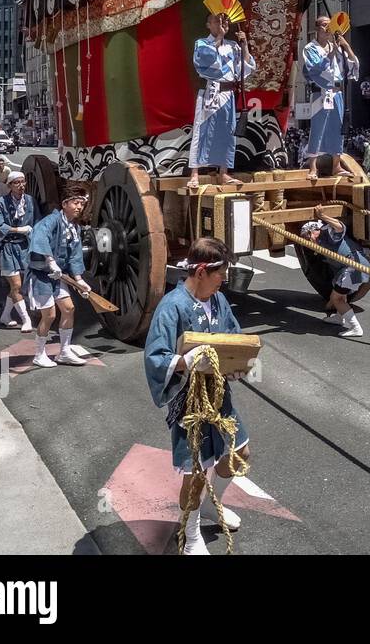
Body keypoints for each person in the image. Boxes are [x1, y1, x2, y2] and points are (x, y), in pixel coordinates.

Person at [144, 237, 254, 556]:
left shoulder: (217, 299)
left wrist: (238, 362)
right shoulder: (172, 306)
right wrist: (185, 361)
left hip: (219, 394)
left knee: (239, 453)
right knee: (195, 473)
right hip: (189, 399)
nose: (225, 280)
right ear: (203, 271)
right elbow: (155, 356)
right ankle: (190, 534)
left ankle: (210, 506)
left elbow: (233, 336)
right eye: (221, 273)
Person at [186, 10, 256, 189]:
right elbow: (206, 62)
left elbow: (245, 68)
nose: (220, 24)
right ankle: (194, 173)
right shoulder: (202, 43)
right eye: (216, 21)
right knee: (202, 131)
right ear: (209, 25)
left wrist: (245, 44)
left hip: (227, 93)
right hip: (211, 91)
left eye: (223, 21)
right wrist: (219, 39)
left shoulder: (233, 46)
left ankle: (223, 172)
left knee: (227, 133)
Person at [27, 187, 92, 369]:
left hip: (59, 275)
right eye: (76, 203)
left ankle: (64, 352)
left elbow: (75, 255)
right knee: (49, 315)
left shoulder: (74, 227)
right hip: (42, 274)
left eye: (82, 204)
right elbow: (39, 236)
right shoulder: (52, 220)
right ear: (65, 204)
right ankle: (39, 354)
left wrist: (79, 280)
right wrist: (50, 260)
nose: (79, 207)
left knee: (69, 309)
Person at [301, 18, 358, 183]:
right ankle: (313, 166)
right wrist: (332, 52)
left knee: (337, 129)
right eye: (324, 25)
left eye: (329, 24)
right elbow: (315, 69)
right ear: (317, 28)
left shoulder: (338, 47)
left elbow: (352, 65)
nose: (328, 28)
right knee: (317, 129)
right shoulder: (310, 48)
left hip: (337, 92)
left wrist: (345, 46)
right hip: (320, 92)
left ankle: (336, 164)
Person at [300, 206, 370, 338]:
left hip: (354, 266)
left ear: (315, 230)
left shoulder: (326, 232)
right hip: (347, 268)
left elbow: (339, 227)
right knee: (340, 296)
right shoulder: (320, 242)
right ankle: (340, 318)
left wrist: (323, 217)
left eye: (307, 236)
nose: (307, 240)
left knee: (336, 298)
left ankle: (356, 328)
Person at [0, 170, 38, 332]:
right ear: (9, 185)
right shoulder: (0, 203)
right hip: (8, 247)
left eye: (23, 182)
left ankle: (5, 316)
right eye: (16, 182)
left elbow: (37, 222)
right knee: (16, 285)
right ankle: (26, 320)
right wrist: (18, 230)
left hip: (25, 247)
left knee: (21, 286)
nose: (21, 185)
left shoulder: (30, 201)